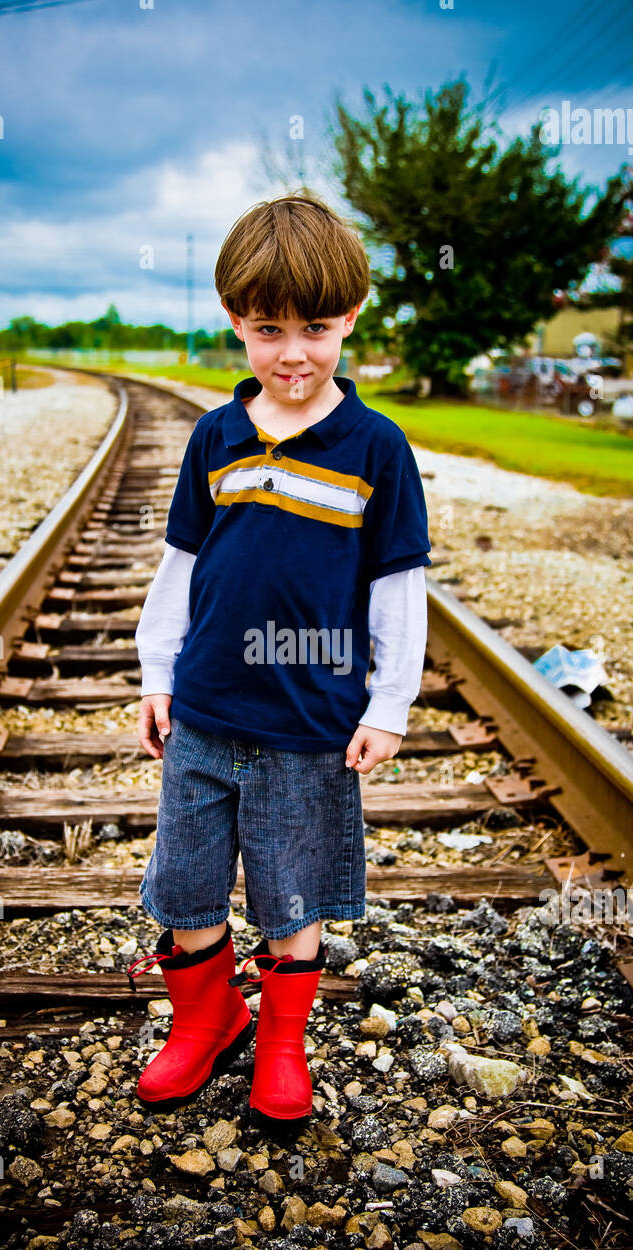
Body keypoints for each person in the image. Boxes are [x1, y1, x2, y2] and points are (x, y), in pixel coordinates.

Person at [127, 193, 431, 1122]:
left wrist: (388, 706)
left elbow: (397, 590)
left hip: (308, 727)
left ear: (351, 319)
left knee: (292, 900)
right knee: (185, 885)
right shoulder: (216, 436)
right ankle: (204, 1023)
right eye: (268, 329)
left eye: (315, 327)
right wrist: (157, 672)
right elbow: (180, 566)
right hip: (205, 716)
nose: (292, 352)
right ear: (236, 325)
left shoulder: (376, 449)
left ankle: (282, 1044)